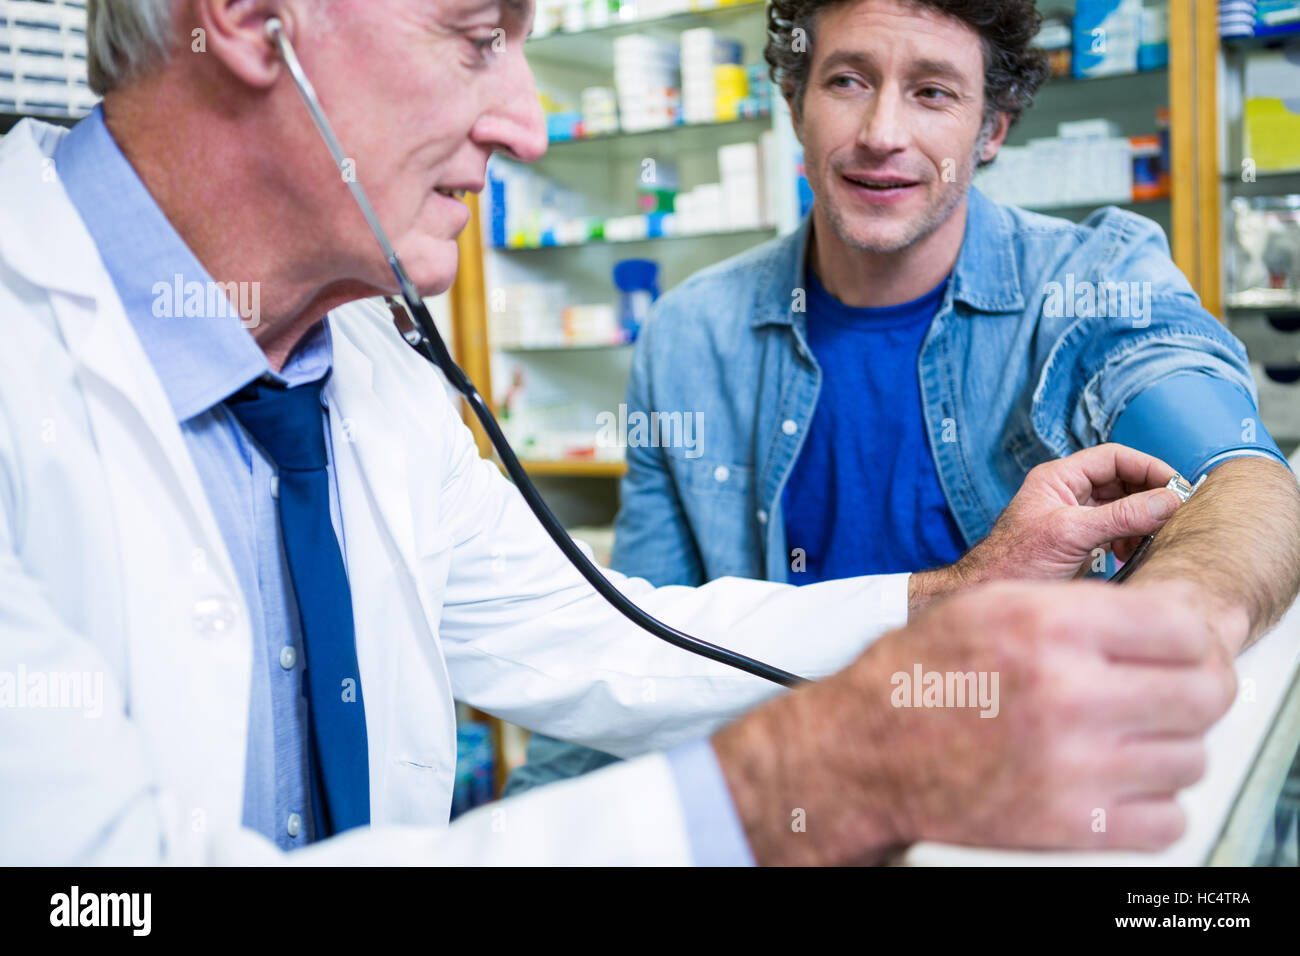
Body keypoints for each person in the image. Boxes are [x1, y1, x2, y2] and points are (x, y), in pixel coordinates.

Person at [0, 0, 1243, 865]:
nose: (529, 123)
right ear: (246, 15)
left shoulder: (366, 376)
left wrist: (952, 596)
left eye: (933, 91)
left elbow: (607, 633)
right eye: (479, 38)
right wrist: (802, 781)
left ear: (993, 128)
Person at [508, 0, 1300, 795]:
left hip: (1015, 810)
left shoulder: (1096, 282)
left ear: (991, 129)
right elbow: (640, 659)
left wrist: (1158, 635)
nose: (881, 132)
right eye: (848, 80)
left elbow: (1242, 479)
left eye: (933, 92)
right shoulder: (690, 336)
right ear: (794, 103)